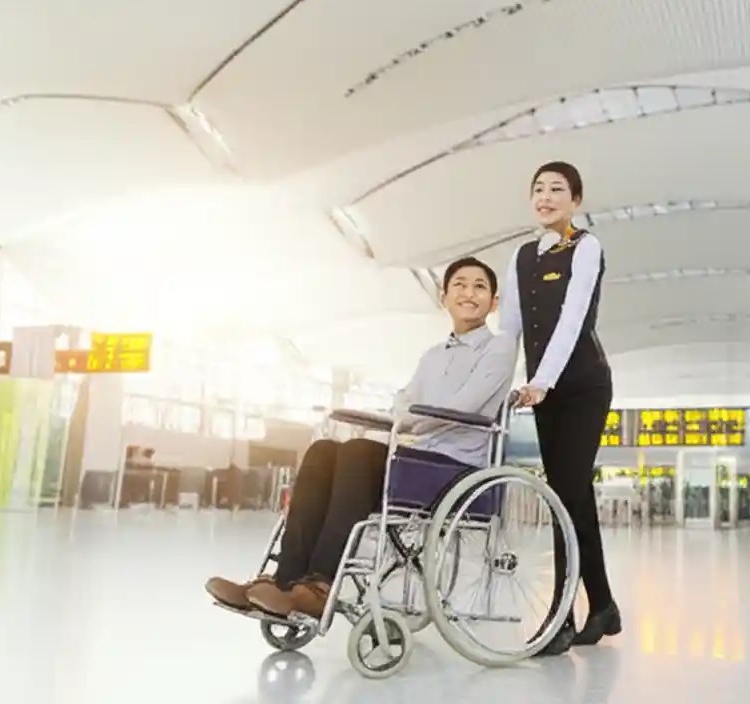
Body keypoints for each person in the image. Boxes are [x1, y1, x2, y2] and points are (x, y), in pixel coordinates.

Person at [205, 257, 517, 619]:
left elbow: (466, 403)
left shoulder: (500, 347)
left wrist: (409, 424)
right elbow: (403, 399)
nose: (469, 293)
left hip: (458, 465)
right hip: (418, 456)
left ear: (494, 302)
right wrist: (400, 418)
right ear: (443, 296)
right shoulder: (432, 356)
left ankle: (320, 586)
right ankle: (285, 582)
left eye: (480, 286)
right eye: (459, 285)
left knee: (358, 452)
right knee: (323, 450)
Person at [500, 161, 620, 656]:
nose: (546, 197)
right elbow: (509, 330)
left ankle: (561, 616)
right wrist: (498, 387)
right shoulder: (522, 255)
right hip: (543, 390)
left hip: (584, 386)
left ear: (576, 200)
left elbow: (573, 318)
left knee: (566, 494)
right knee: (570, 497)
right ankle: (603, 606)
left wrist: (543, 380)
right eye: (538, 189)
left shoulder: (585, 246)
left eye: (557, 189)